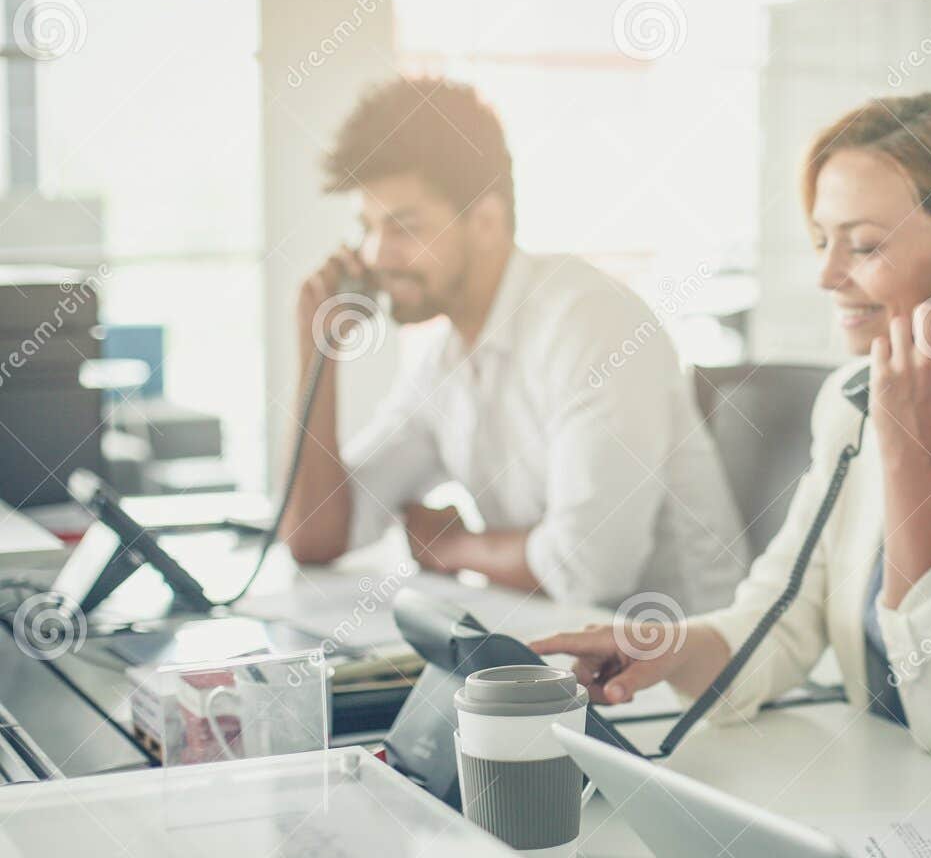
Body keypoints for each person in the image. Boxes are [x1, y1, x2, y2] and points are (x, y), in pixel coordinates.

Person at [535, 94, 931, 784]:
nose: (827, 275)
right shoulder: (852, 401)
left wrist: (912, 447)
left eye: (864, 244)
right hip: (885, 791)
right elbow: (782, 617)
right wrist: (666, 648)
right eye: (822, 240)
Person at [280, 76, 745, 614]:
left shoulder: (591, 324)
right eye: (369, 228)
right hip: (553, 654)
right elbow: (316, 537)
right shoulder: (446, 360)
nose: (376, 256)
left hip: (675, 669)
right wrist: (319, 353)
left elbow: (589, 570)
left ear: (487, 221)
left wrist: (455, 548)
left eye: (404, 229)